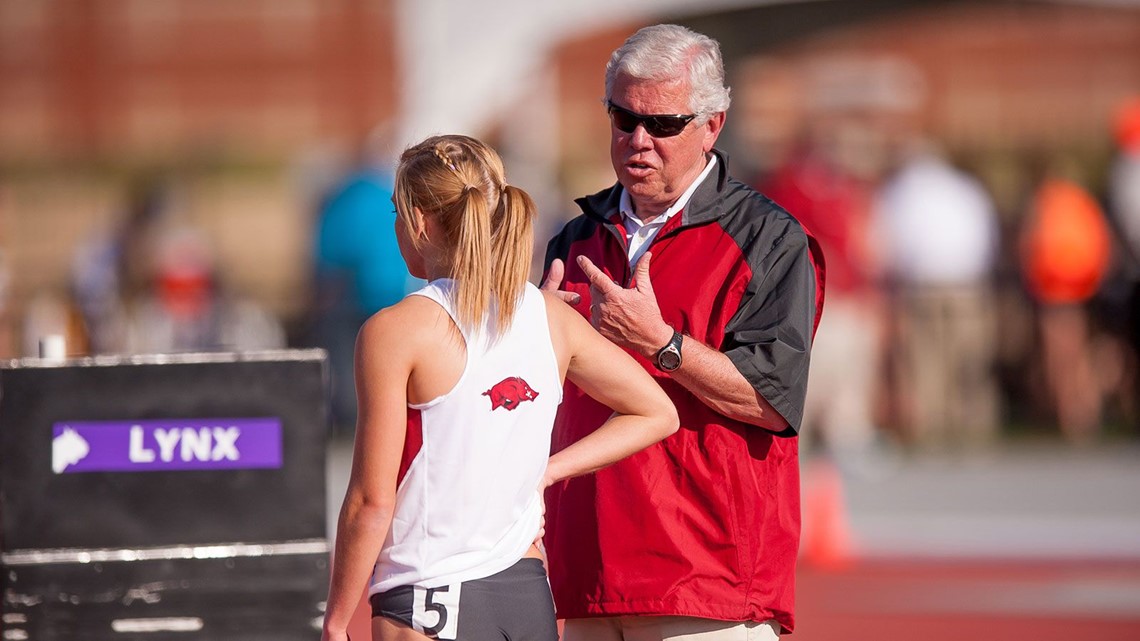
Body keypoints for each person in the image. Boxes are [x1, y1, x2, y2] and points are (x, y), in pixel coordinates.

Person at [320, 134, 679, 641]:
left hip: (428, 592)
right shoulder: (550, 317)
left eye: (397, 212)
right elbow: (657, 412)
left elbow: (371, 501)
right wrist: (548, 473)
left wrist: (335, 622)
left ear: (420, 222)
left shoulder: (395, 330)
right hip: (525, 592)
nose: (396, 227)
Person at [540, 25, 825, 639]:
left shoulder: (770, 240)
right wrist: (530, 339)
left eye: (663, 124)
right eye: (622, 118)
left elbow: (772, 401)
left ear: (712, 126)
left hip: (704, 578)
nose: (638, 141)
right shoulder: (575, 238)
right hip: (587, 571)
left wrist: (662, 344)